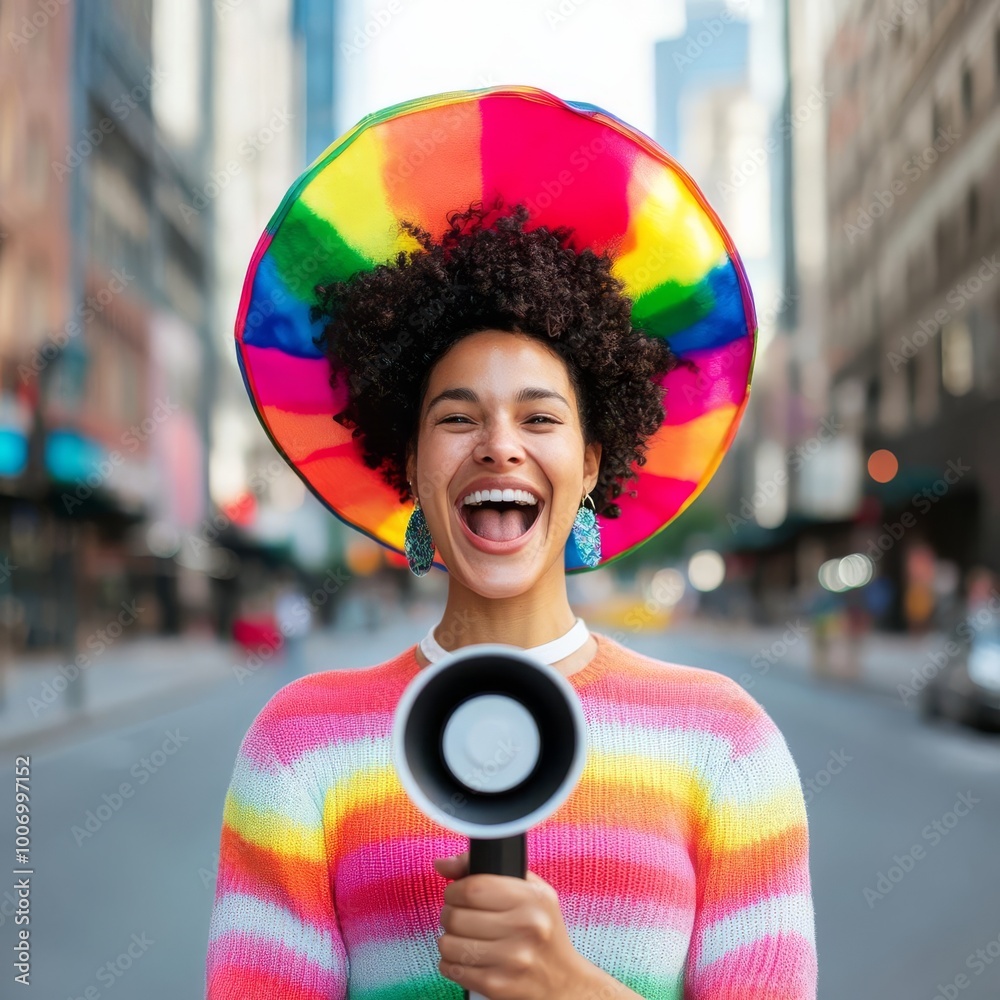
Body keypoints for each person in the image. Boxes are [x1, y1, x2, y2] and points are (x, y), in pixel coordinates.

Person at [206, 86, 817, 999]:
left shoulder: (726, 743)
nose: (499, 443)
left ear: (591, 461)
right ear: (408, 463)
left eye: (540, 416)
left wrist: (570, 985)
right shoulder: (298, 749)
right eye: (457, 418)